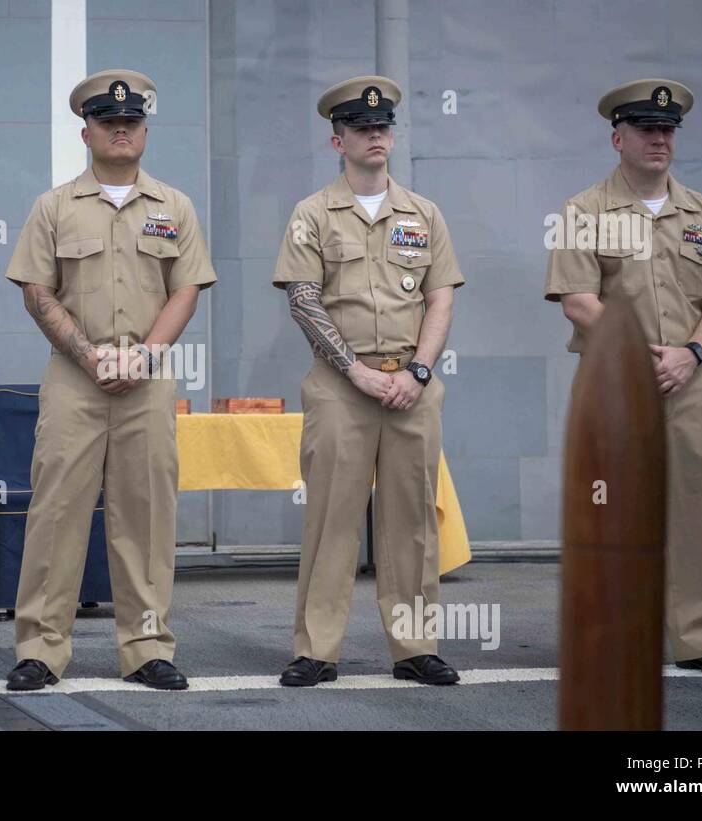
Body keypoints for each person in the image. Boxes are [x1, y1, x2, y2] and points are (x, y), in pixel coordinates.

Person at [4, 69, 216, 691]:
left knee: (145, 515)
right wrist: (89, 356)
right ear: (86, 131)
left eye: (131, 121)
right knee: (56, 512)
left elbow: (186, 290)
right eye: (107, 121)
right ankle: (41, 648)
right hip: (75, 377)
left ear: (145, 130)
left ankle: (147, 645)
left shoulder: (174, 206)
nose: (120, 129)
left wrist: (148, 355)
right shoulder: (53, 206)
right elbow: (38, 293)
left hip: (146, 379)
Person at [545, 79, 702, 673]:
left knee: (694, 505)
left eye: (667, 129)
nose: (659, 138)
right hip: (614, 384)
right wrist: (642, 354)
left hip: (690, 382)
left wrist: (689, 353)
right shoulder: (582, 211)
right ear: (618, 137)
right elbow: (578, 300)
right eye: (645, 128)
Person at [273, 76, 464, 687]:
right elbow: (304, 301)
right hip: (339, 386)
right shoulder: (311, 214)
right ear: (338, 141)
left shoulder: (425, 213)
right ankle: (316, 650)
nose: (375, 134)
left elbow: (440, 299)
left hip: (410, 385)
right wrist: (354, 370)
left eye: (382, 126)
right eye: (362, 127)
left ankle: (415, 648)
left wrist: (419, 371)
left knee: (411, 522)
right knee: (331, 517)